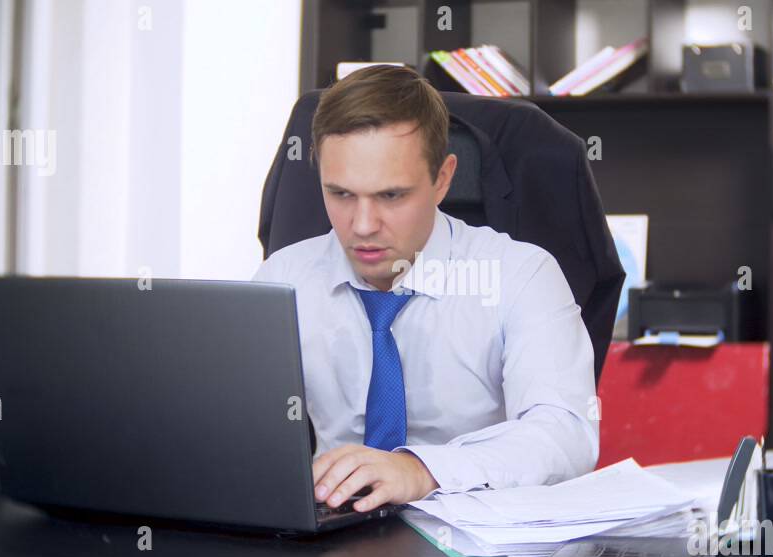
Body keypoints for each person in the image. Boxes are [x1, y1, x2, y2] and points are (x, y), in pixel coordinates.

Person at [252, 64, 598, 513]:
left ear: (442, 178)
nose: (362, 226)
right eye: (340, 194)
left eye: (391, 196)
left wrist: (422, 470)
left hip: (473, 534)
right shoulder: (285, 278)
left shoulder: (521, 275)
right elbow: (235, 428)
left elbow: (566, 434)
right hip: (332, 528)